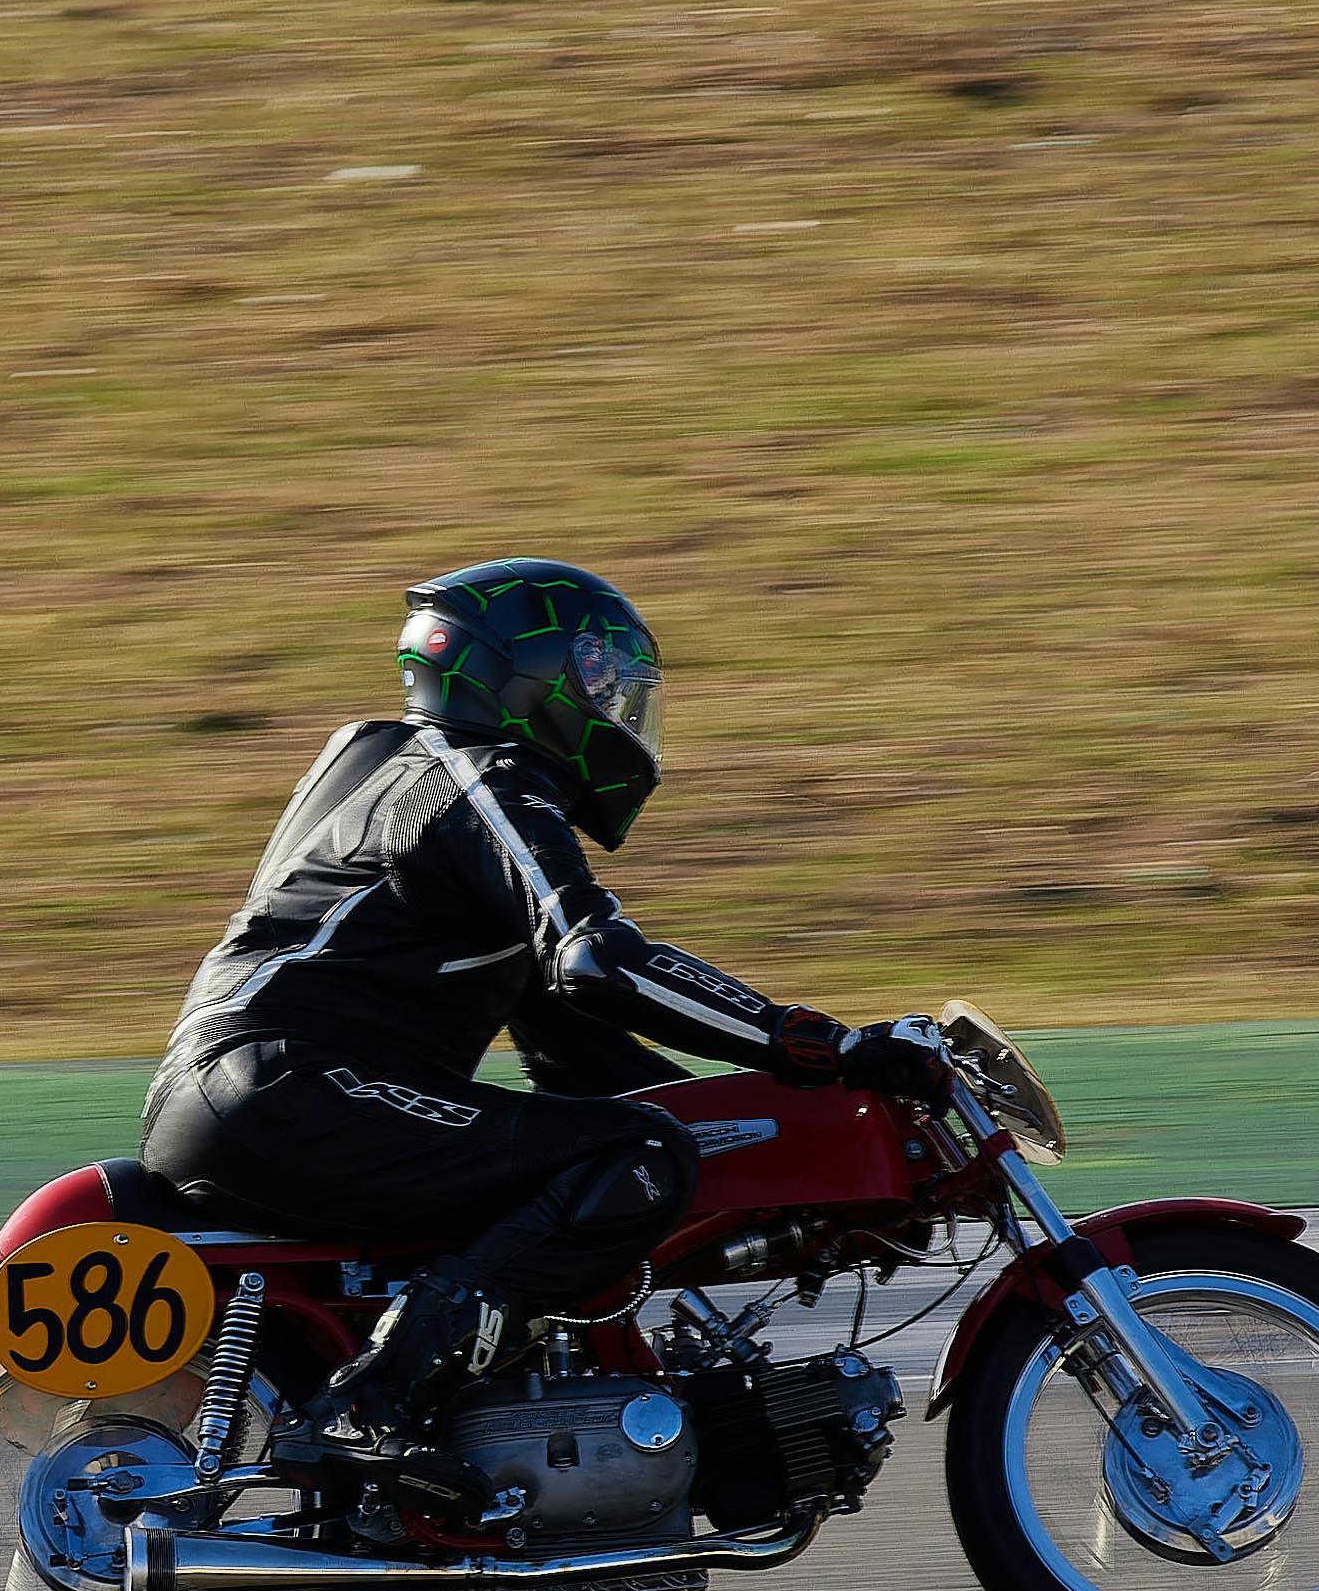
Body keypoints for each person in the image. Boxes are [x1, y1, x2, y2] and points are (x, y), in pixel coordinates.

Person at [137, 556, 945, 1469]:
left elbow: (591, 1062)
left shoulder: (407, 776)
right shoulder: (474, 779)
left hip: (265, 1092)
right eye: (600, 678)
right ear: (531, 677)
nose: (617, 707)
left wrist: (788, 1147)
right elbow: (598, 961)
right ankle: (374, 1410)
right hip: (291, 1087)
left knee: (631, 1147)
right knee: (635, 1155)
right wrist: (822, 1045)